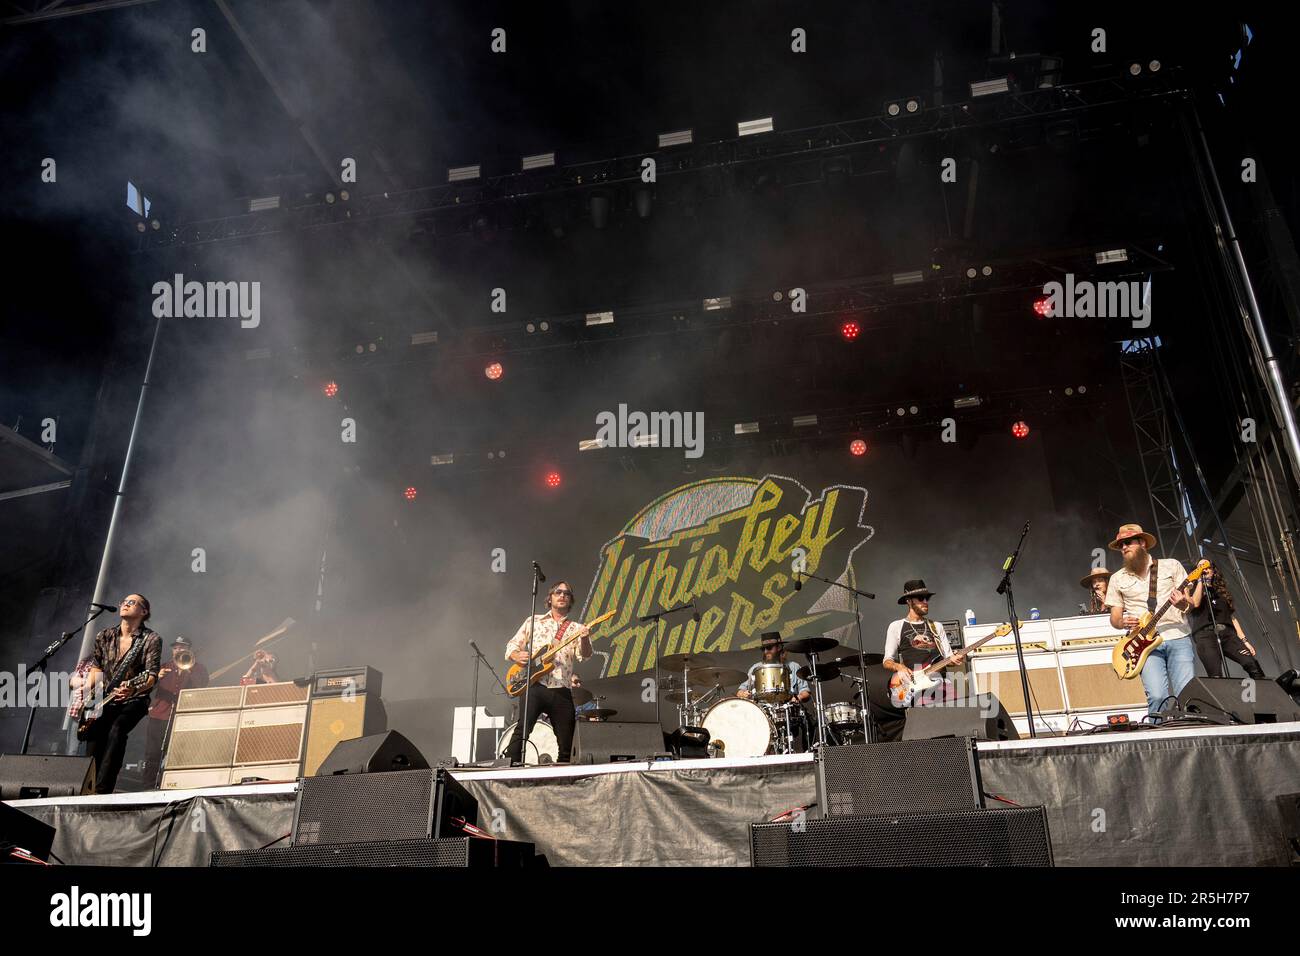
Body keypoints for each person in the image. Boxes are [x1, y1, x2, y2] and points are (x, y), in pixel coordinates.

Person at [70, 594, 162, 793]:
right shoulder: (104, 636)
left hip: (134, 698)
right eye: (124, 602)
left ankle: (103, 789)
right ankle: (86, 789)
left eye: (132, 602)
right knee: (94, 739)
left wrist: (133, 689)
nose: (125, 604)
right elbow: (97, 669)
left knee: (117, 730)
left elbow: (151, 676)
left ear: (144, 611)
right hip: (103, 698)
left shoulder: (151, 639)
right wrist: (87, 693)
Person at [1103, 524, 1193, 717]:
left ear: (1142, 543)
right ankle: (1158, 733)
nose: (1124, 547)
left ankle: (1190, 730)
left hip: (1178, 635)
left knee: (1187, 694)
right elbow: (1115, 617)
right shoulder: (1117, 579)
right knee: (1157, 696)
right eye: (1120, 545)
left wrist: (1183, 603)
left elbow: (1191, 603)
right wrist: (1122, 622)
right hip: (1144, 644)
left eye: (1128, 542)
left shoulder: (1171, 565)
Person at [503, 581, 593, 764]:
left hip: (561, 688)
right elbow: (512, 645)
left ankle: (562, 776)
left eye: (567, 593)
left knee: (567, 741)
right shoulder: (533, 621)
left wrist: (584, 639)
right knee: (522, 730)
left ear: (570, 600)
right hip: (534, 685)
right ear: (550, 597)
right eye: (558, 592)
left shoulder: (576, 628)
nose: (562, 595)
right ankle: (509, 768)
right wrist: (516, 655)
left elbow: (585, 655)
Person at [882, 580, 966, 714]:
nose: (926, 602)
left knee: (958, 719)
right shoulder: (896, 626)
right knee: (925, 724)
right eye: (921, 598)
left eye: (927, 598)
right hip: (918, 688)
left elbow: (948, 658)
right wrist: (899, 667)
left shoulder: (936, 626)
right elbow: (887, 661)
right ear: (909, 601)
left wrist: (955, 660)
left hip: (942, 684)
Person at [145, 636, 210, 787]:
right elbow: (146, 689)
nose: (178, 650)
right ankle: (148, 786)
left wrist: (189, 668)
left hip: (183, 718)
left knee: (179, 754)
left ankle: (174, 784)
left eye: (182, 647)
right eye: (175, 648)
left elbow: (202, 686)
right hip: (159, 715)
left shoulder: (198, 668)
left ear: (189, 650)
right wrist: (156, 678)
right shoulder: (163, 667)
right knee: (153, 753)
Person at [1188, 562, 1265, 680]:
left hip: (1228, 634)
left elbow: (1232, 618)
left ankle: (1263, 690)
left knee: (1251, 663)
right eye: (1200, 567)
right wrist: (1200, 581)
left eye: (1207, 567)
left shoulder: (1221, 592)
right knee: (1216, 676)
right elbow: (1195, 603)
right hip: (1205, 636)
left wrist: (1244, 641)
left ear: (1213, 571)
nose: (1205, 570)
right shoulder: (1192, 590)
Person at [737, 633, 812, 748]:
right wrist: (744, 694)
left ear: (779, 647)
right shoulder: (755, 668)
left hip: (787, 712)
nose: (766, 651)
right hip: (762, 715)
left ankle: (809, 751)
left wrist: (798, 697)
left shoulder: (793, 666)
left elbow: (806, 692)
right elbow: (740, 692)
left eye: (769, 648)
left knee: (809, 719)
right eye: (763, 649)